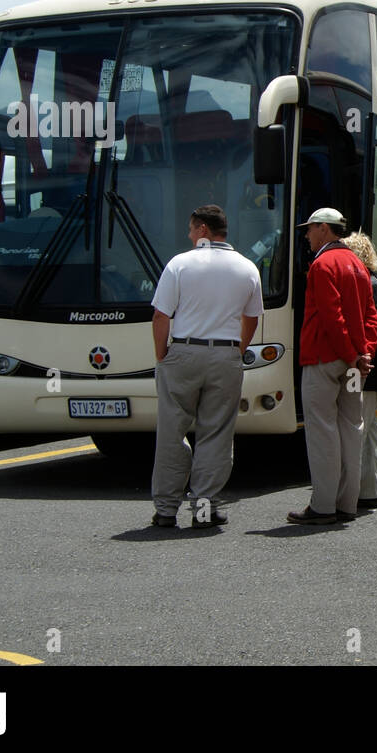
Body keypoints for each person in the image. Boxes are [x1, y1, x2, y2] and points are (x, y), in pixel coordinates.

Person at [150, 205, 263, 529]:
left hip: (183, 351)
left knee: (172, 431)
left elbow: (161, 316)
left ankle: (166, 510)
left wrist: (162, 354)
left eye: (190, 229)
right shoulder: (246, 268)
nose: (188, 236)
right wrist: (236, 350)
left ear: (202, 229)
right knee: (215, 432)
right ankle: (203, 509)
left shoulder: (180, 264)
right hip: (225, 355)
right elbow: (252, 317)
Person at [288, 208, 377, 526]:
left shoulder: (322, 264)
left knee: (322, 431)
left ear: (324, 229)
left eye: (310, 229)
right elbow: (371, 315)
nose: (307, 234)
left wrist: (351, 354)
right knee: (351, 429)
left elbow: (331, 317)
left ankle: (324, 505)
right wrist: (363, 353)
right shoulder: (357, 264)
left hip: (323, 360)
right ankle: (347, 504)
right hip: (354, 366)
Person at [343, 231, 377, 510]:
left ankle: (346, 494)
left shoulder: (368, 286)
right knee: (369, 429)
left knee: (357, 431)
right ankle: (371, 490)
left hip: (369, 371)